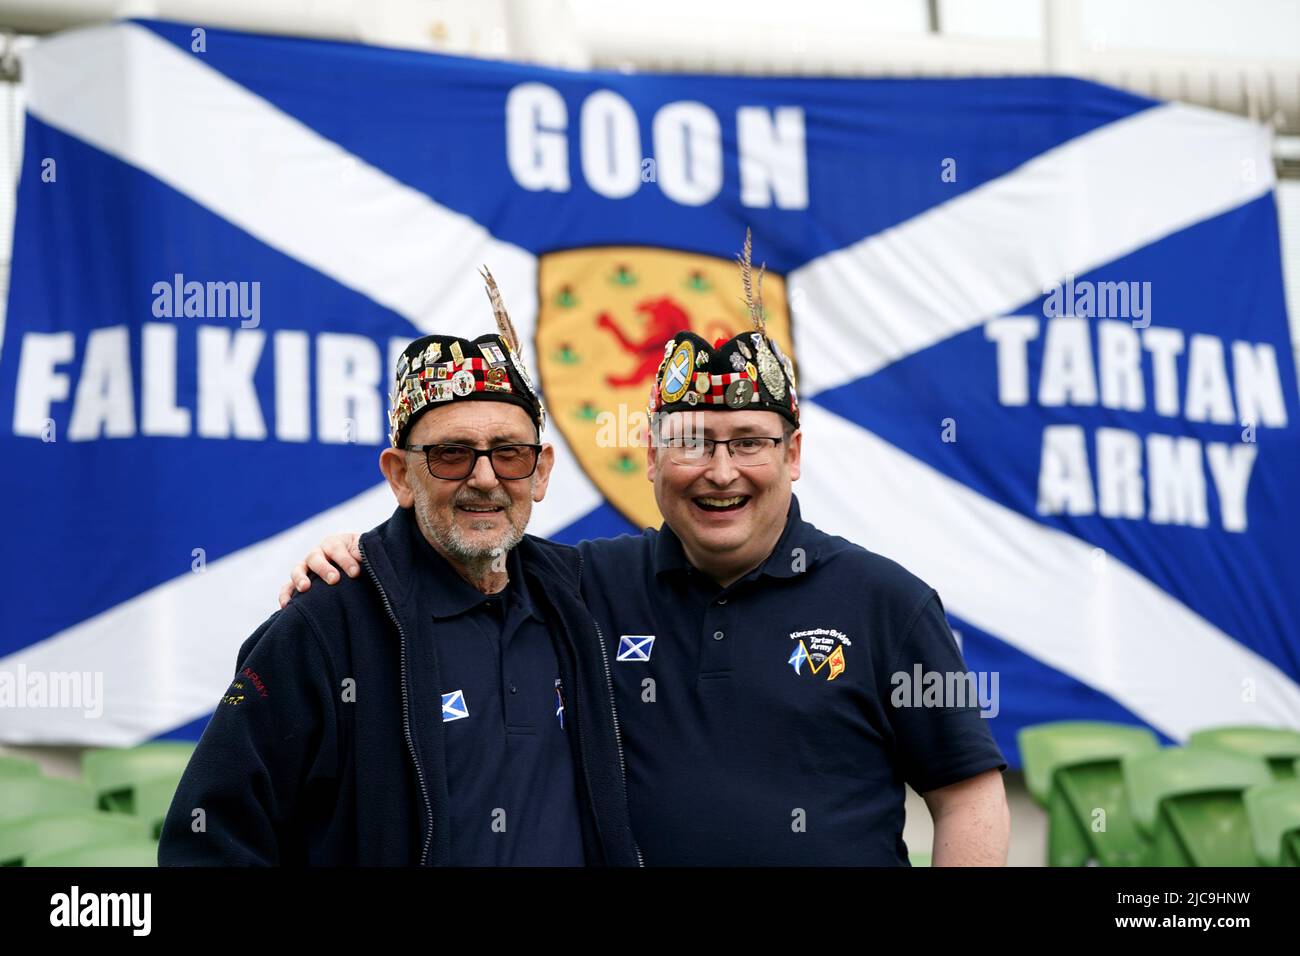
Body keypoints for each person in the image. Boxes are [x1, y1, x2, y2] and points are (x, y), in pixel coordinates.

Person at [284, 237, 1011, 865]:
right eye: (691, 444)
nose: (720, 471)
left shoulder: (887, 603)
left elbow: (969, 796)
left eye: (749, 443)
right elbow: (468, 544)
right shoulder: (579, 584)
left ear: (792, 455)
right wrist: (358, 557)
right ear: (652, 458)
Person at [160, 270, 640, 866]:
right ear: (399, 476)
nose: (484, 478)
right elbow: (207, 844)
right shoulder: (325, 626)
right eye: (451, 454)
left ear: (540, 471)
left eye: (508, 453)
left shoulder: (590, 598)